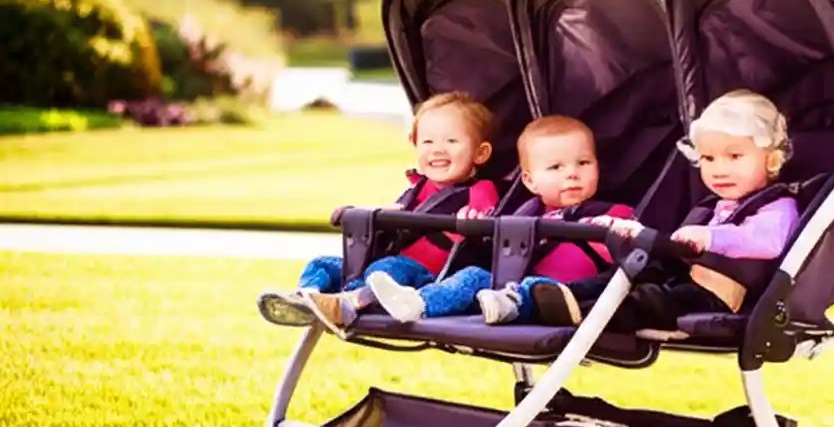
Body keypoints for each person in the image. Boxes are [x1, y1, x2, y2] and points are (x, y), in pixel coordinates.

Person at [520, 89, 799, 332]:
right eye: (708, 158)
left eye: (734, 156)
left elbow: (767, 242)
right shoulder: (714, 207)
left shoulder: (778, 206)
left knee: (650, 301)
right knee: (625, 275)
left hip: (719, 295)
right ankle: (560, 296)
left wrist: (710, 238)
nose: (719, 169)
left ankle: (580, 314)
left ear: (771, 158)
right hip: (684, 278)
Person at [256, 91, 500, 336]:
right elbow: (396, 217)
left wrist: (473, 219)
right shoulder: (416, 189)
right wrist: (377, 214)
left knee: (388, 267)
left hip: (430, 277)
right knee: (323, 264)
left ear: (480, 153)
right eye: (428, 142)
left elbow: (488, 219)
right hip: (384, 274)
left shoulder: (480, 190)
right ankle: (308, 299)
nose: (438, 150)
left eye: (451, 141)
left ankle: (351, 303)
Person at [364, 115, 634, 323]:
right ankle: (417, 303)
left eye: (584, 163)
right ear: (530, 181)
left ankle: (506, 304)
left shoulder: (613, 213)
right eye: (556, 167)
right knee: (473, 276)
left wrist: (614, 231)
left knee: (535, 289)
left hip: (563, 297)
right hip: (500, 289)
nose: (572, 173)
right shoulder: (520, 214)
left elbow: (631, 242)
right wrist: (473, 229)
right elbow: (489, 255)